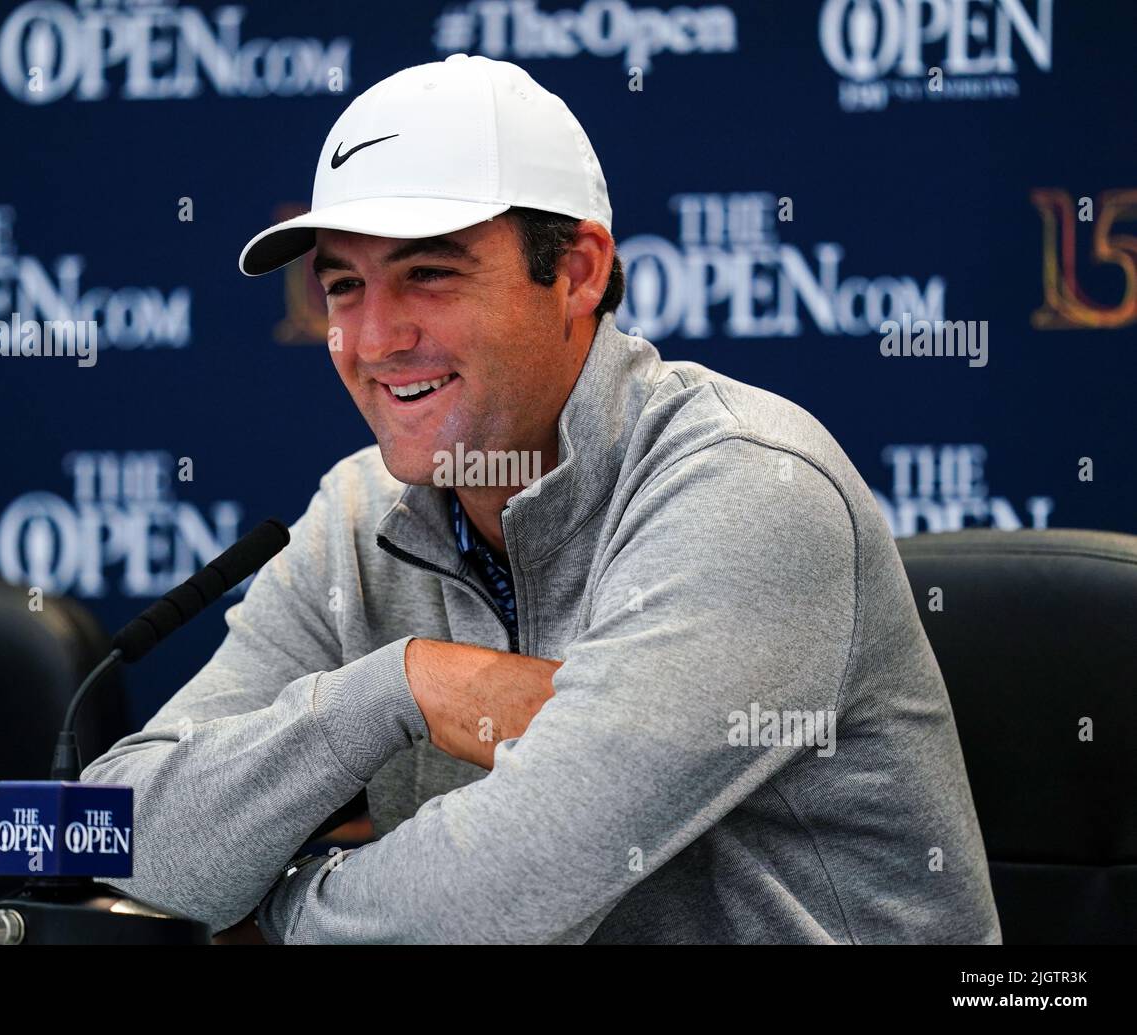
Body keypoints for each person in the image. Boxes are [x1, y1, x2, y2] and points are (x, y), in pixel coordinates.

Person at [81, 53, 1001, 945]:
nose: (374, 338)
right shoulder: (356, 515)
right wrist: (395, 685)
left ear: (577, 273)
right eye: (342, 286)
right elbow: (109, 828)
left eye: (429, 274)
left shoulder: (747, 486)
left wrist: (265, 912)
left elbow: (492, 908)